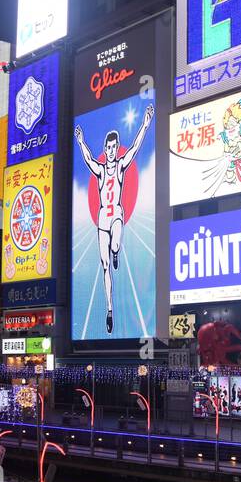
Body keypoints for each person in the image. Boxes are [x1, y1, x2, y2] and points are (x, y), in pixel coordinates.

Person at [74, 102, 154, 334]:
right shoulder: (100, 170)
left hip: (116, 214)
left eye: (113, 146)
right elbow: (88, 159)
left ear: (117, 147)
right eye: (107, 147)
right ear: (105, 148)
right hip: (102, 219)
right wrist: (80, 141)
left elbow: (136, 148)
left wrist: (146, 124)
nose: (110, 150)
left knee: (116, 244)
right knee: (105, 266)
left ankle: (116, 250)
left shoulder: (120, 167)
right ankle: (110, 309)